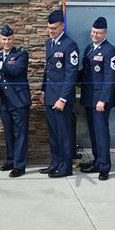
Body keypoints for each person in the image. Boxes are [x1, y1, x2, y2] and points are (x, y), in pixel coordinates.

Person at [39, 10, 79, 178]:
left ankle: (66, 166)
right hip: (50, 95)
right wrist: (43, 90)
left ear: (62, 26)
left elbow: (71, 75)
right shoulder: (50, 43)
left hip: (62, 98)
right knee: (54, 134)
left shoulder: (70, 45)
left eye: (54, 28)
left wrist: (62, 99)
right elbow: (48, 70)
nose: (51, 31)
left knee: (64, 134)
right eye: (49, 28)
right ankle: (55, 163)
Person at [79, 17, 115, 181]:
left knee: (102, 133)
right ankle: (97, 161)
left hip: (100, 101)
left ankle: (105, 167)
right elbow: (85, 73)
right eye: (93, 32)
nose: (95, 35)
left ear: (105, 33)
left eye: (99, 32)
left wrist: (103, 99)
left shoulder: (110, 51)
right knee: (94, 133)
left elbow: (110, 78)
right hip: (89, 97)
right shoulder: (89, 49)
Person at [0, 24, 31, 178]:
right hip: (5, 102)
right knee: (8, 133)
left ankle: (20, 166)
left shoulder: (21, 55)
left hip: (19, 101)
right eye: (4, 39)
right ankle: (11, 160)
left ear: (13, 39)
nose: (6, 42)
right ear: (0, 40)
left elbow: (15, 71)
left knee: (20, 134)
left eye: (9, 39)